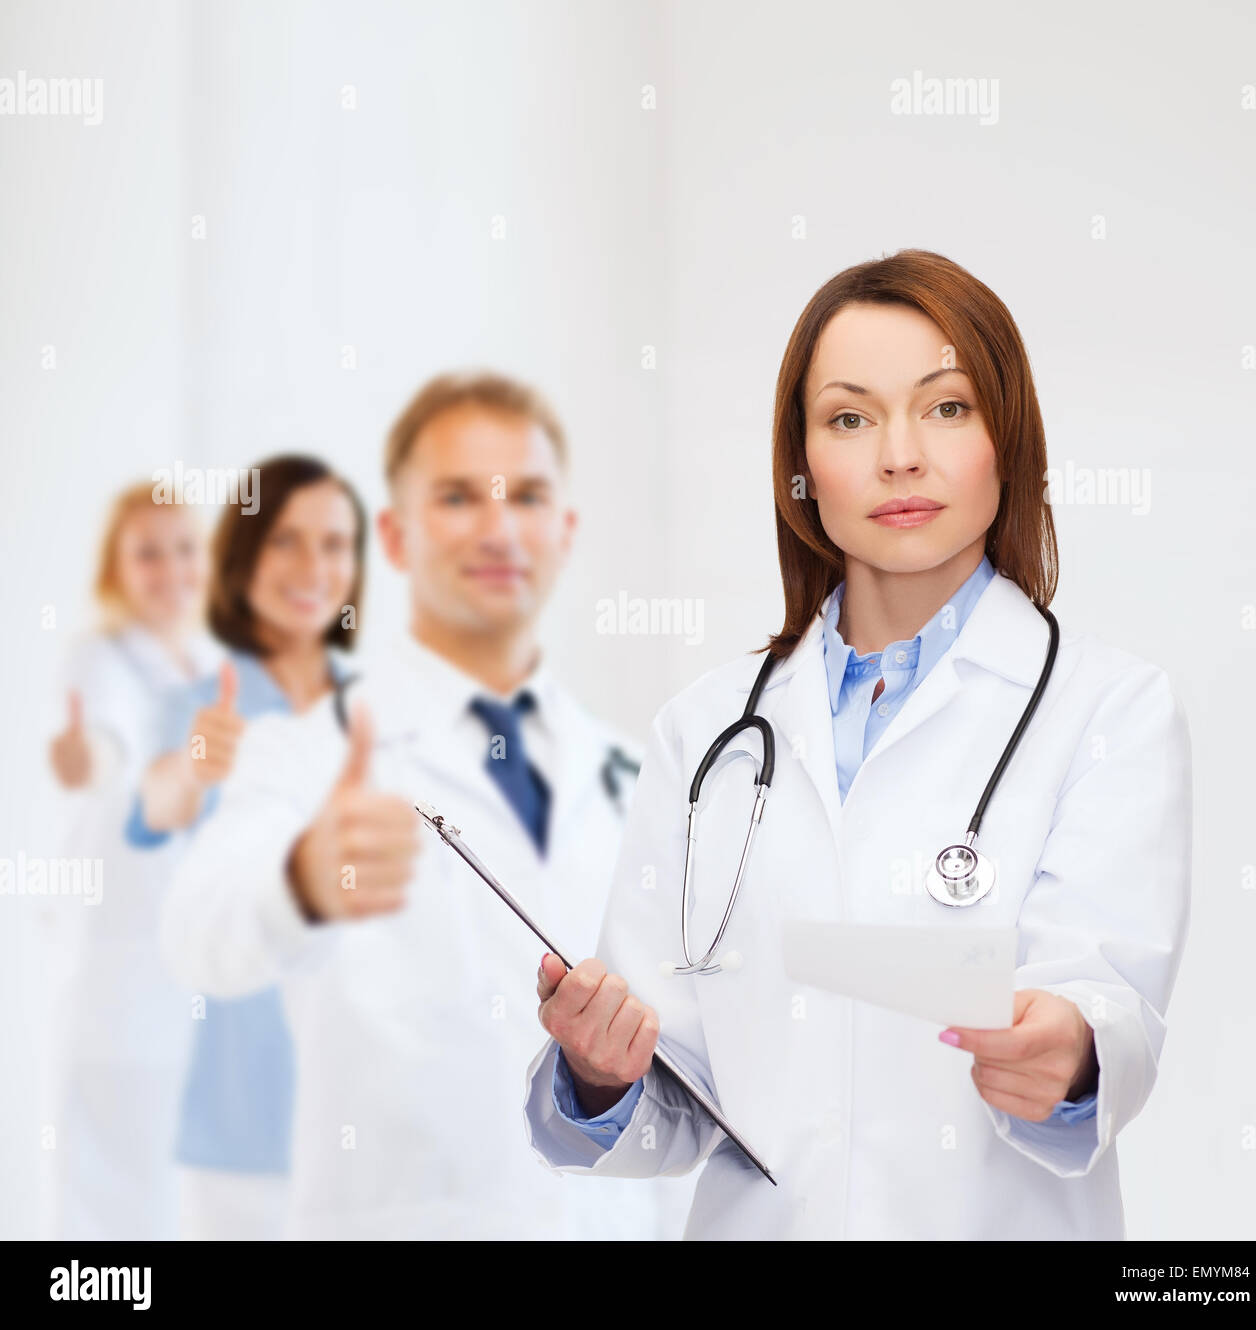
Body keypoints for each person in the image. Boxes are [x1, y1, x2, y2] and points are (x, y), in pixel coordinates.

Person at [525, 249, 1194, 1240]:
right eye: (849, 416)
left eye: (946, 407)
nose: (899, 454)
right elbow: (676, 1100)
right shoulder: (706, 733)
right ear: (800, 468)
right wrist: (598, 1069)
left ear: (1006, 439)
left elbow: (1108, 1007)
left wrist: (1073, 1054)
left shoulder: (1110, 710)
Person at [162, 372, 694, 1238]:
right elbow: (197, 935)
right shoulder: (308, 749)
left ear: (564, 532)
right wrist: (301, 879)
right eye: (457, 497)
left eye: (525, 496)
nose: (496, 528)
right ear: (397, 538)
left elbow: (678, 1067)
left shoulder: (634, 770)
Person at [127, 456, 366, 1240]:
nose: (313, 568)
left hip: (365, 1108)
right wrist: (193, 769)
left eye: (335, 544)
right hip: (243, 1121)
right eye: (287, 542)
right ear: (243, 558)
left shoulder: (375, 706)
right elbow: (154, 807)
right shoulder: (202, 706)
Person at [43, 481, 220, 1239]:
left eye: (184, 549)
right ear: (116, 567)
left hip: (187, 948)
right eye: (146, 553)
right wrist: (85, 757)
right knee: (107, 1161)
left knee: (169, 1163)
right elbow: (103, 748)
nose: (169, 569)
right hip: (121, 944)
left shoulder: (212, 662)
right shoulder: (103, 656)